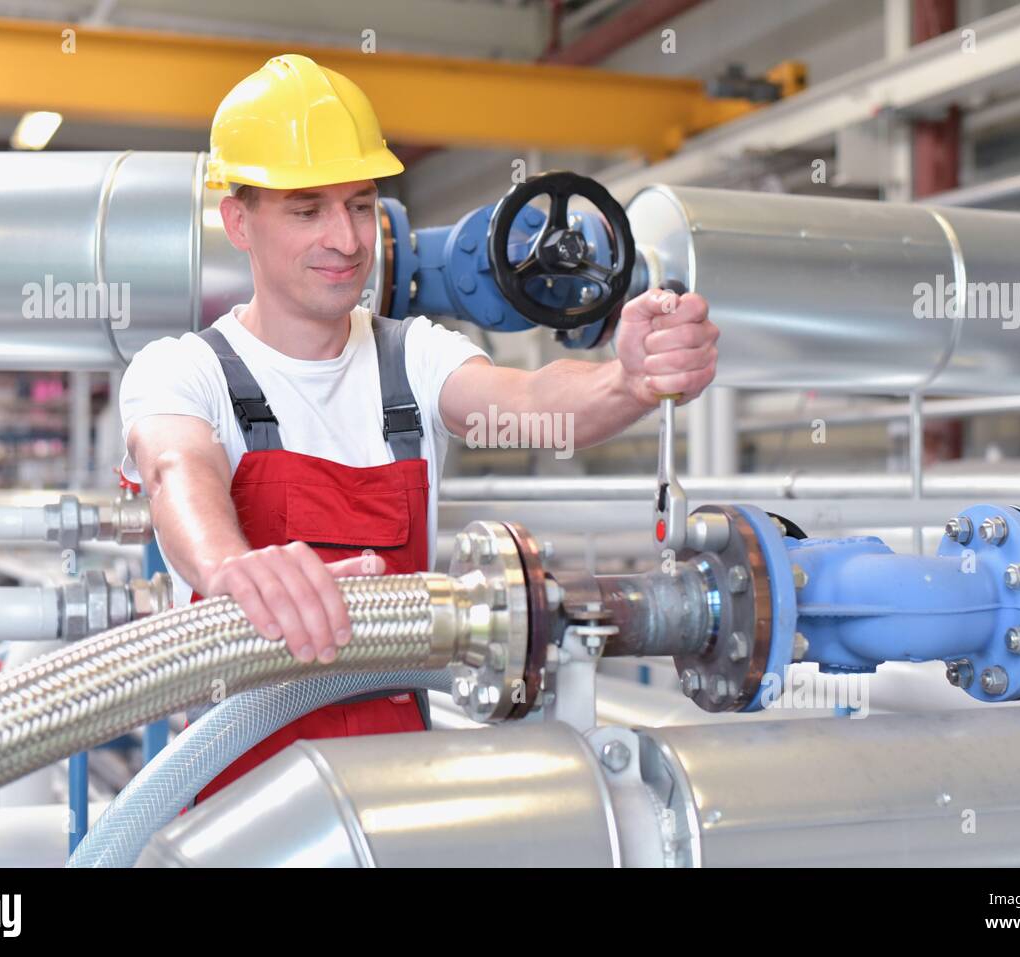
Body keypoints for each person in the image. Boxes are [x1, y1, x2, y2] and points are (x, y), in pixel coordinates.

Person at [119, 53, 718, 803]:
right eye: (308, 210)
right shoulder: (183, 369)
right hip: (241, 803)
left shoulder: (412, 356)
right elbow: (179, 471)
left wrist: (626, 380)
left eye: (361, 204)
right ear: (239, 220)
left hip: (396, 792)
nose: (345, 238)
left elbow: (533, 402)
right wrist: (226, 567)